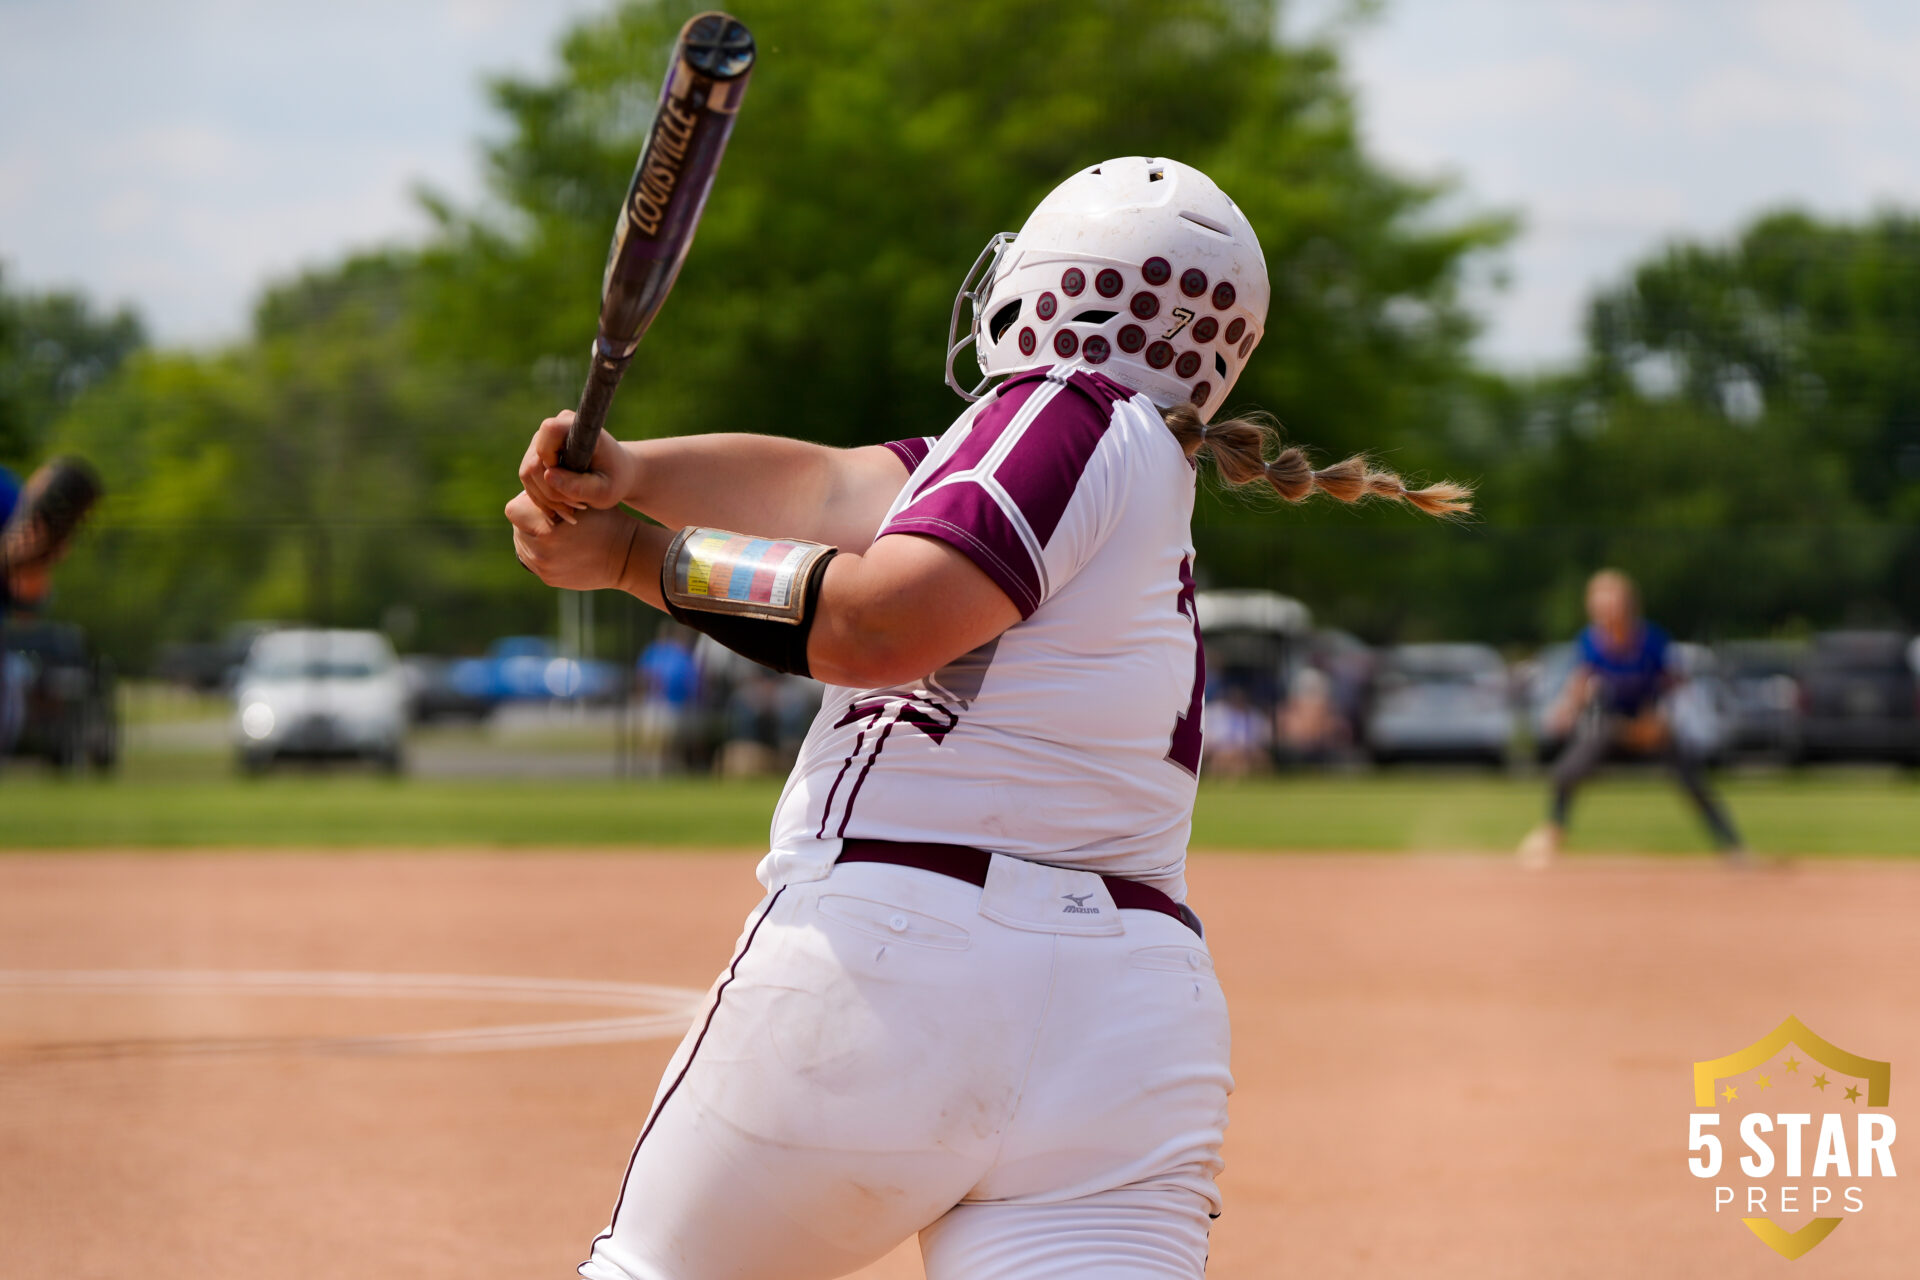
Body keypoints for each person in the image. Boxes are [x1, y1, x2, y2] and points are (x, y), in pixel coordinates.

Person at [508, 156, 1469, 1280]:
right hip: (1130, 1025)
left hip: (896, 966)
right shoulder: (1113, 457)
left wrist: (639, 558)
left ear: (1049, 286)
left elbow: (878, 624)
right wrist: (632, 470)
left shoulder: (1061, 411)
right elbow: (825, 489)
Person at [1518, 569, 1745, 866]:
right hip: (1611, 726)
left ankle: (1731, 845)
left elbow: (1674, 683)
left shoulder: (1651, 640)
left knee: (1691, 777)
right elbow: (1580, 682)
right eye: (1599, 606)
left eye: (1612, 605)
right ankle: (1552, 832)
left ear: (1628, 606)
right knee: (1567, 771)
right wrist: (1565, 710)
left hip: (1649, 723)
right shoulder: (1591, 641)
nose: (1606, 613)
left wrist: (1663, 719)